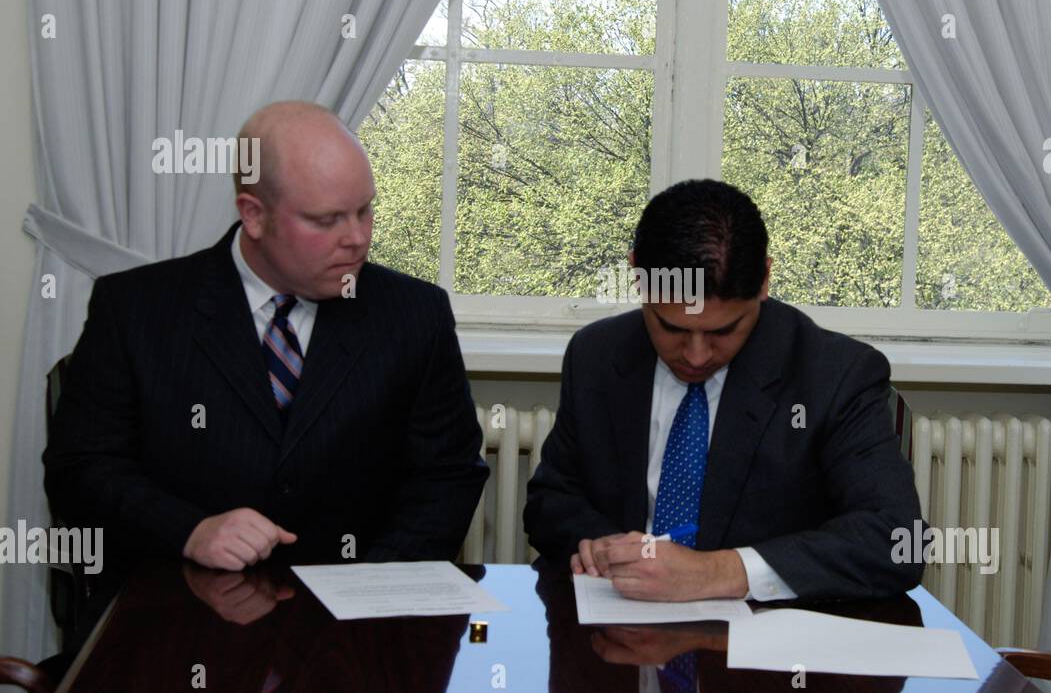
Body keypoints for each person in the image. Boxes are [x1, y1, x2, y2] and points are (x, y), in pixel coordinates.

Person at [44, 101, 487, 577]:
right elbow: (80, 471)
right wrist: (190, 530)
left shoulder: (414, 315)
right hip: (178, 610)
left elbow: (448, 475)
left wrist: (372, 587)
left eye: (364, 210)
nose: (357, 238)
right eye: (327, 219)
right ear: (253, 215)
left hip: (361, 621)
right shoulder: (136, 309)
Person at [524, 179, 924, 603]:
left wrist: (718, 571)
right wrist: (606, 547)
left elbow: (896, 539)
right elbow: (551, 499)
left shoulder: (835, 374)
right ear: (638, 275)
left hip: (771, 648)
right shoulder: (596, 356)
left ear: (765, 280)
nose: (696, 356)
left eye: (724, 330)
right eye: (672, 327)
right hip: (619, 629)